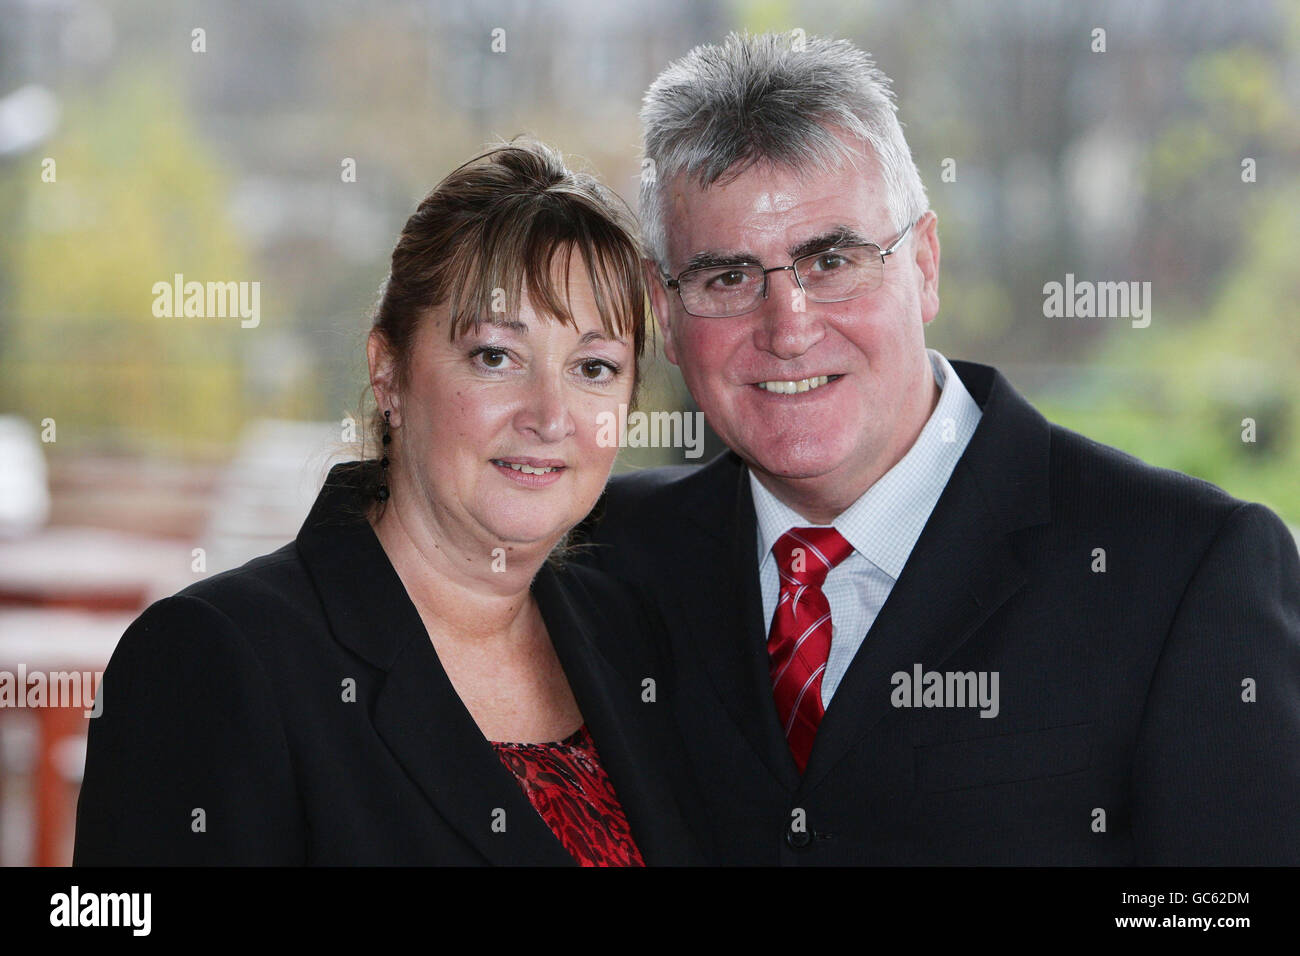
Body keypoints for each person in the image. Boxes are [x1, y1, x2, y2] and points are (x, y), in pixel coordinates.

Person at [575, 32, 1300, 865]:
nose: (788, 328)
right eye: (727, 278)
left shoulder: (1187, 569)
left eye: (833, 259)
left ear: (924, 264)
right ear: (665, 317)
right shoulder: (603, 555)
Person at [74, 139, 704, 866]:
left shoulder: (640, 640)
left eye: (594, 367)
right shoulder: (214, 661)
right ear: (389, 374)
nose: (550, 415)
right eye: (495, 356)